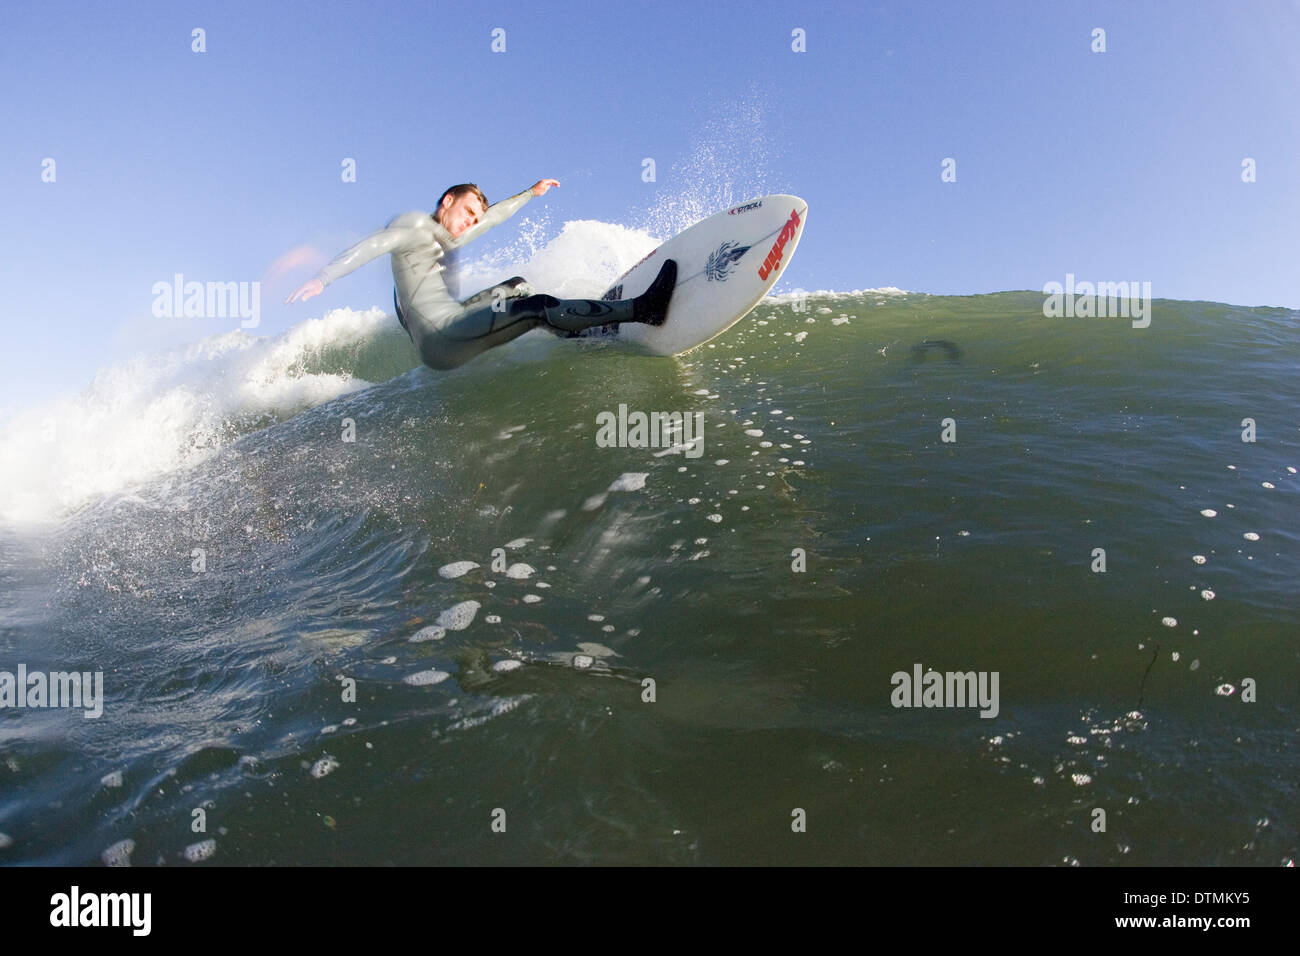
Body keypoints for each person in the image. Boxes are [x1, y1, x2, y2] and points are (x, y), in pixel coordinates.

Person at [286, 178, 676, 370]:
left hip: (448, 326)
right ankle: (643, 309)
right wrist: (323, 277)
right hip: (444, 334)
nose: (471, 222)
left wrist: (530, 193)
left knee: (518, 287)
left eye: (474, 217)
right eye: (467, 212)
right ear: (447, 200)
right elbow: (373, 245)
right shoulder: (414, 229)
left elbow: (493, 218)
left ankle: (572, 331)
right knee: (535, 306)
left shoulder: (444, 237)